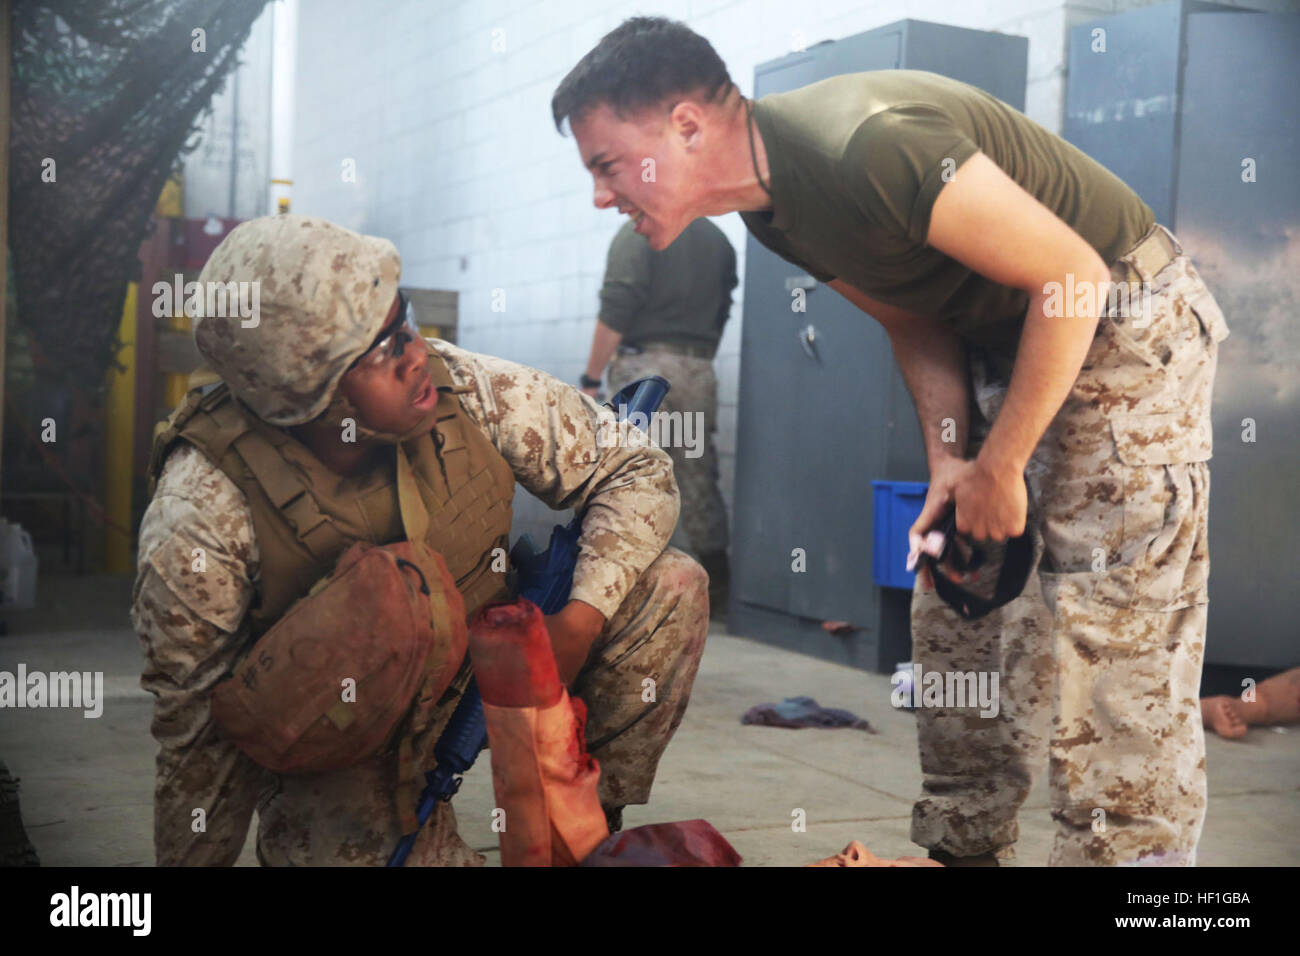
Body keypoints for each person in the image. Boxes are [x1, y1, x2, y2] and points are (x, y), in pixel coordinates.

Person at [552, 16, 1229, 866]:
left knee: (1111, 635)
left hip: (1123, 321)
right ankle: (962, 850)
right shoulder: (772, 212)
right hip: (1007, 337)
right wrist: (953, 460)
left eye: (606, 165)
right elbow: (911, 317)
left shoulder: (864, 148)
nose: (600, 196)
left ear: (686, 125)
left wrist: (1005, 462)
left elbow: (1072, 276)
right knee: (959, 605)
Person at [131, 214, 709, 866]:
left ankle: (587, 826)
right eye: (379, 349)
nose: (412, 351)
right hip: (352, 737)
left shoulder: (460, 384)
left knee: (671, 583)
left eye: (400, 317)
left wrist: (577, 622)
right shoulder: (200, 516)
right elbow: (197, 739)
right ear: (305, 396)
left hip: (483, 660)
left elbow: (634, 465)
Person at [580, 216, 737, 613]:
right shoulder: (718, 240)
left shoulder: (639, 231)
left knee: (627, 475)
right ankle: (714, 589)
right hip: (697, 370)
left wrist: (591, 377)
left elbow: (617, 305)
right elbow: (723, 307)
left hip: (644, 369)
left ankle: (616, 590)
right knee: (697, 475)